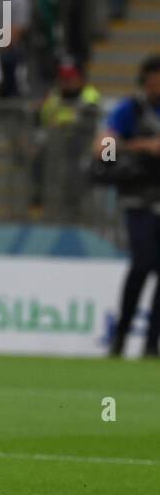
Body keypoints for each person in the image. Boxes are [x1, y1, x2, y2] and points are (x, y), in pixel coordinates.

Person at [98, 56, 160, 357]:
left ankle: (152, 343)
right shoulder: (130, 110)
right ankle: (121, 336)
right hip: (140, 199)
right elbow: (103, 147)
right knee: (143, 263)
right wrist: (143, 146)